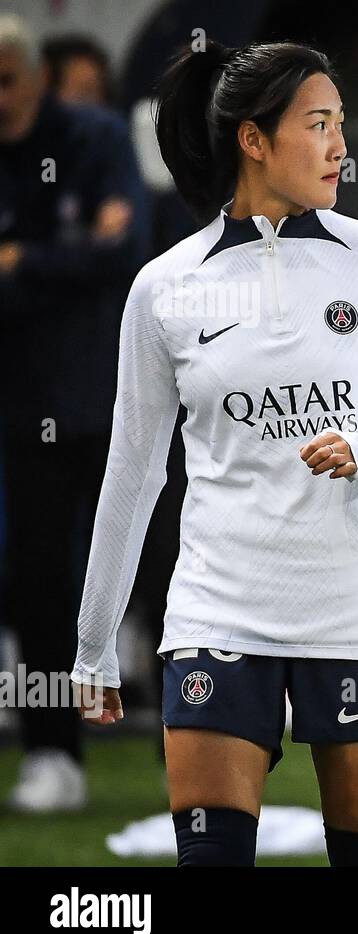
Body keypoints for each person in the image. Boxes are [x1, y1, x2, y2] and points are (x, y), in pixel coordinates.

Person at [71, 39, 358, 867]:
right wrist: (92, 642)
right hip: (220, 610)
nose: (339, 147)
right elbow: (133, 473)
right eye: (318, 124)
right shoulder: (164, 288)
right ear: (253, 140)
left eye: (340, 124)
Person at [0, 13, 149, 813]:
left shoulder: (92, 138)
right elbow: (90, 255)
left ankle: (201, 742)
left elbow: (125, 255)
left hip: (118, 394)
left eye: (5, 82)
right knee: (38, 584)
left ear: (30, 77)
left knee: (163, 568)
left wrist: (24, 260)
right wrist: (68, 260)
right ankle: (53, 752)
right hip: (27, 404)